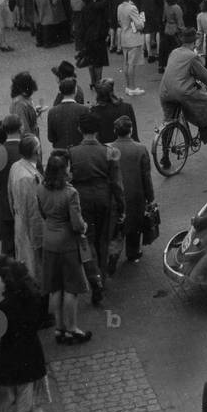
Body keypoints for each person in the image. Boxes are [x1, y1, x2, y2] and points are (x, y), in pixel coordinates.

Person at [0, 255, 50, 412]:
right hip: (33, 359)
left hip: (14, 366)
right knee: (33, 408)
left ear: (5, 278)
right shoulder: (34, 297)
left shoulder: (6, 306)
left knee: (0, 409)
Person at [36, 153, 92, 344]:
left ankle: (59, 328)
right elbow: (76, 224)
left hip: (49, 241)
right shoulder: (71, 193)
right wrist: (84, 226)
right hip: (67, 243)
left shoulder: (41, 189)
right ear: (63, 171)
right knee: (71, 288)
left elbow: (43, 213)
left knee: (55, 287)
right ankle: (72, 328)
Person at [68, 112, 125, 298]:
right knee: (103, 238)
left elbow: (69, 178)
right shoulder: (108, 152)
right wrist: (121, 206)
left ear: (79, 129)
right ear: (97, 130)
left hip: (81, 199)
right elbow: (116, 183)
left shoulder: (72, 152)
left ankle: (94, 279)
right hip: (103, 197)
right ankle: (102, 275)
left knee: (86, 240)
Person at [160, 28, 207, 144]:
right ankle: (204, 131)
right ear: (194, 42)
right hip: (180, 91)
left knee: (168, 121)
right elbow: (204, 75)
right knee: (206, 101)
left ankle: (165, 155)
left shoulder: (174, 52)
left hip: (165, 91)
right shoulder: (192, 56)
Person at [109, 116, 153, 268]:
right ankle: (133, 253)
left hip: (116, 195)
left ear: (115, 131)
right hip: (136, 194)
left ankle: (113, 255)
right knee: (135, 225)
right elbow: (146, 176)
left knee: (117, 227)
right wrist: (150, 197)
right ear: (131, 130)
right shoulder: (140, 149)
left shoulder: (108, 149)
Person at [8, 133, 45, 282]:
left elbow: (10, 196)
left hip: (20, 222)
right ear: (36, 151)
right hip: (29, 230)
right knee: (34, 267)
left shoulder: (16, 166)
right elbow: (33, 212)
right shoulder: (28, 178)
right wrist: (39, 240)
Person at [0, 115, 22, 256]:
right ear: (20, 128)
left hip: (4, 204)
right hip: (24, 203)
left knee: (8, 247)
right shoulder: (28, 147)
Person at [116, 0, 146, 97]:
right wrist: (142, 21)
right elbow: (139, 25)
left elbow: (119, 21)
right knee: (132, 64)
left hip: (124, 36)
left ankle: (128, 86)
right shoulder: (132, 8)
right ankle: (132, 87)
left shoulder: (119, 7)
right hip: (133, 38)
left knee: (126, 63)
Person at [46, 76, 87, 150]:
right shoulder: (84, 110)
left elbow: (51, 138)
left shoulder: (52, 112)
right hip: (79, 150)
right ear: (75, 91)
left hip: (60, 151)